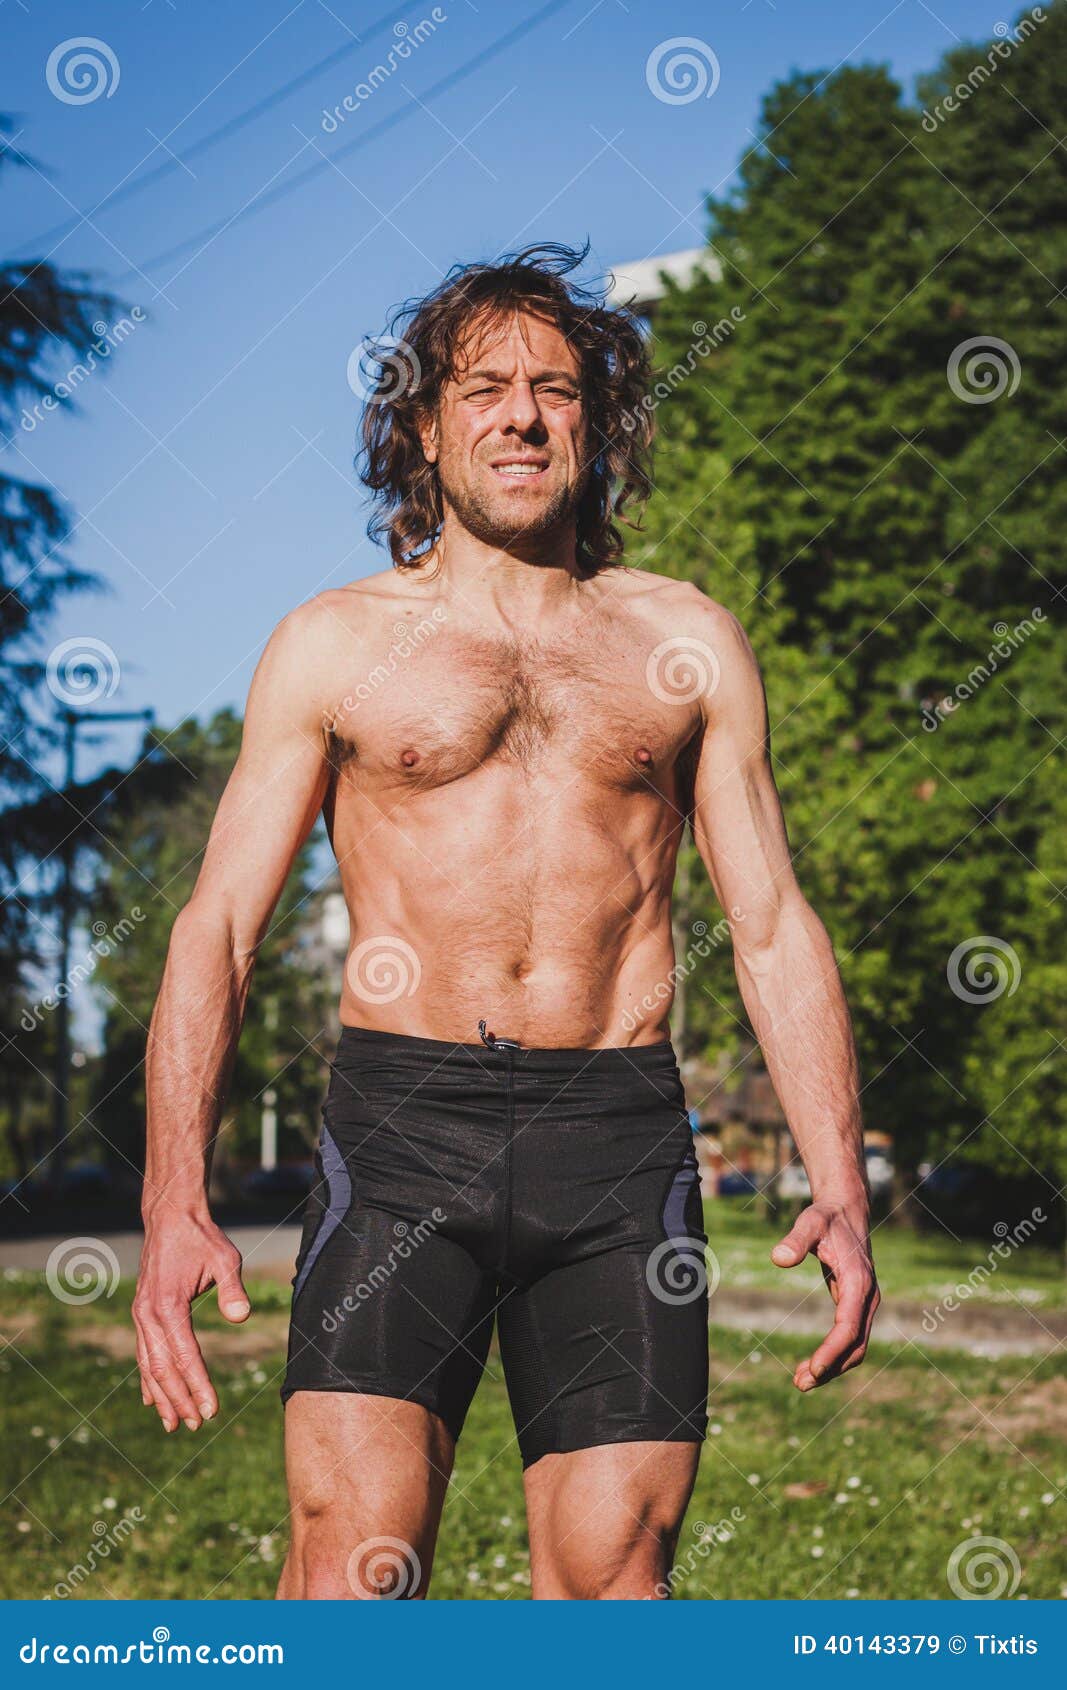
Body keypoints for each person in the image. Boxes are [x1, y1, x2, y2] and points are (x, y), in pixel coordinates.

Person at [133, 244, 879, 1601]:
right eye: (483, 388)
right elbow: (219, 929)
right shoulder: (335, 643)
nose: (522, 416)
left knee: (615, 1579)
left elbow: (768, 922)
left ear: (598, 421)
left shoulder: (687, 643)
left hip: (616, 1139)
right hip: (404, 1134)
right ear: (424, 422)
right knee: (353, 1569)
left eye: (556, 387)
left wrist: (839, 1178)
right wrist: (172, 1189)